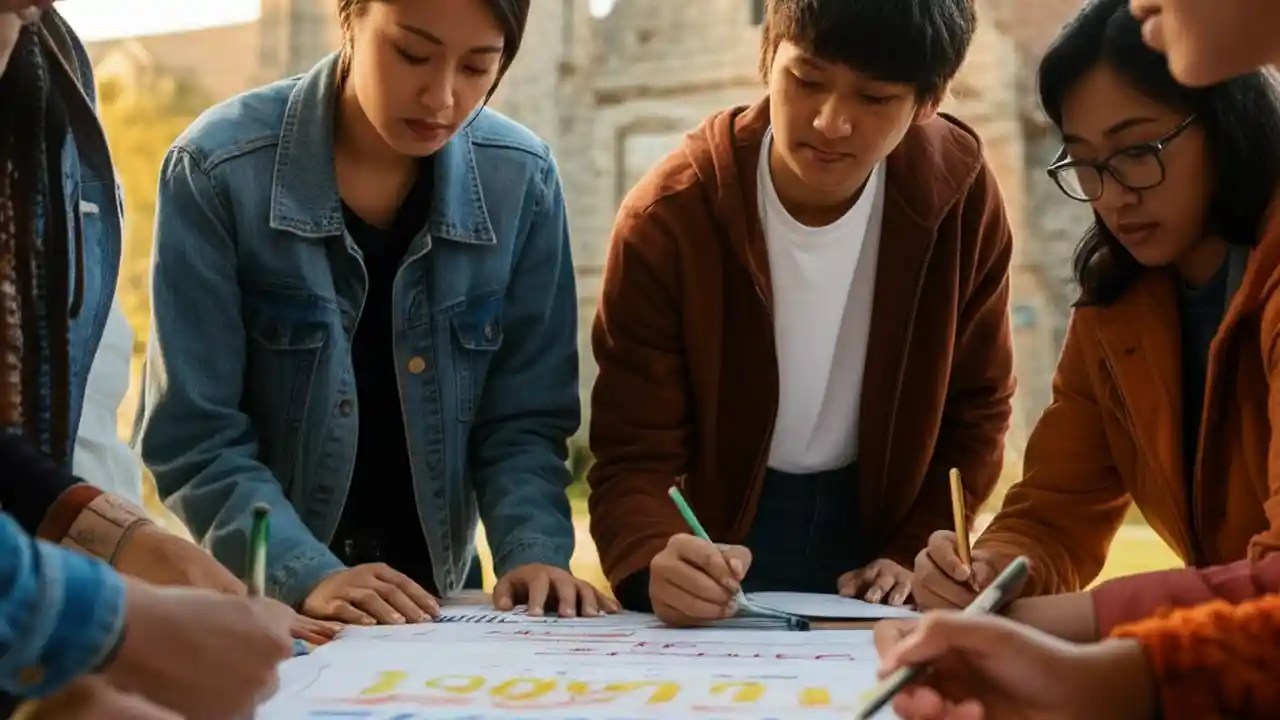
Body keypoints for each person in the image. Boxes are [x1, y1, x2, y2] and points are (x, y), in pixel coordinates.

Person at [136, 0, 615, 624]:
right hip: (275, 612)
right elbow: (195, 436)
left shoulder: (521, 181)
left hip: (440, 609)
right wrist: (308, 574)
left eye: (477, 68)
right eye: (412, 54)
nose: (441, 98)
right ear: (349, 17)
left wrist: (534, 554)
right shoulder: (217, 169)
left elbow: (522, 420)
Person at [587, 0, 1016, 626]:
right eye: (807, 81)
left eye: (874, 99)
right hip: (716, 535)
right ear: (768, 57)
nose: (830, 122)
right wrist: (656, 556)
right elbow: (631, 451)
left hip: (884, 532)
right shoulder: (670, 214)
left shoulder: (959, 194)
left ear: (928, 103)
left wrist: (915, 548)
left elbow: (978, 405)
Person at [911, 0, 1280, 612]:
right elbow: (1056, 511)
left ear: (1224, 122)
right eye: (1085, 164)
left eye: (1138, 152)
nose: (1111, 196)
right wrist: (990, 577)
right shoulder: (1117, 304)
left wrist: (1084, 626)